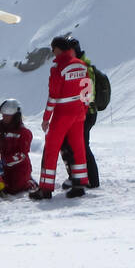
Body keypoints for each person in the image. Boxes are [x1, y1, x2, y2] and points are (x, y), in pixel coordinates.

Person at [33, 36, 91, 200]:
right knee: (79, 149)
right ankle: (80, 184)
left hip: (62, 114)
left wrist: (46, 118)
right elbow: (87, 90)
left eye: (53, 49)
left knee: (51, 150)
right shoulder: (81, 65)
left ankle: (45, 188)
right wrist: (83, 109)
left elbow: (53, 96)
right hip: (78, 113)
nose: (52, 52)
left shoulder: (58, 68)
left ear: (58, 49)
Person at [62, 37, 101, 190]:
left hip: (85, 114)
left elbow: (86, 93)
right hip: (83, 113)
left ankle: (88, 180)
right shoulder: (78, 65)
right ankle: (80, 177)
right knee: (76, 145)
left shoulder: (83, 67)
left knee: (80, 145)